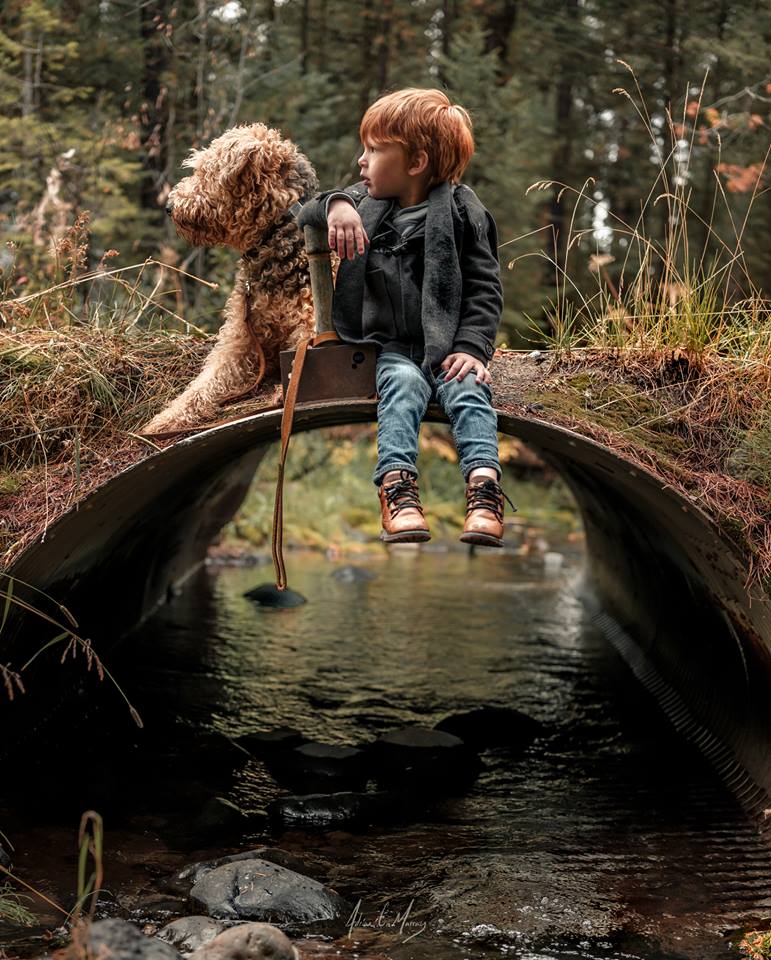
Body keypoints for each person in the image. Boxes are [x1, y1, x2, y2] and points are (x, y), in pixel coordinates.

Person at [297, 87, 515, 547]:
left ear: (415, 163)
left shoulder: (462, 211)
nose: (362, 160)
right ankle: (398, 491)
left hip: (449, 348)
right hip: (391, 348)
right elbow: (307, 209)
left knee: (470, 390)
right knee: (401, 388)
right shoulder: (361, 204)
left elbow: (484, 288)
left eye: (375, 150)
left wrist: (472, 348)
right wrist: (337, 205)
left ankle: (483, 490)